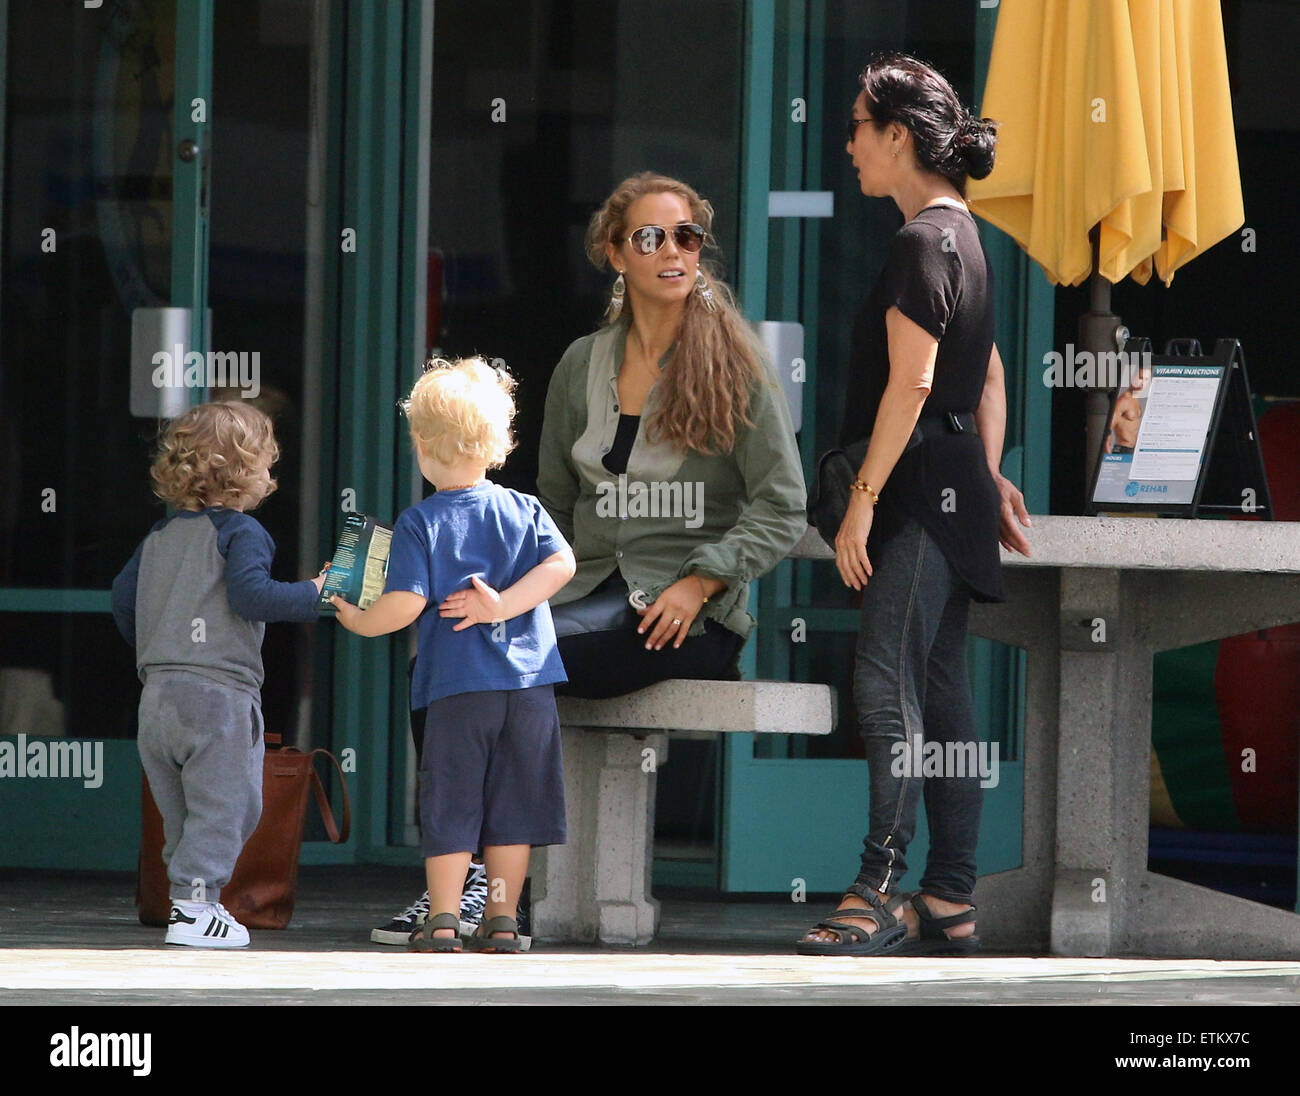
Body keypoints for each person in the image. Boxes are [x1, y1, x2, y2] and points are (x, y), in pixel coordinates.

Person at [797, 54, 1032, 957]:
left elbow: (918, 379)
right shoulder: (964, 237)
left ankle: (875, 890)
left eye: (858, 126)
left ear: (898, 136)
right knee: (940, 691)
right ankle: (951, 898)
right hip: (951, 492)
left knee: (886, 686)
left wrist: (860, 501)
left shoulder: (918, 242)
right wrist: (985, 466)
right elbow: (992, 374)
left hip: (916, 503)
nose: (848, 143)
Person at [332, 357, 575, 952]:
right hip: (530, 687)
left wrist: (358, 619)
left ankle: (442, 920)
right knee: (512, 812)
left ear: (421, 442)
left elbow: (407, 604)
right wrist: (506, 605)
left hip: (459, 689)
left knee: (453, 802)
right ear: (497, 441)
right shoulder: (525, 508)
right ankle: (501, 920)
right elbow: (562, 565)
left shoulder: (422, 521)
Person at [538, 172, 807, 697]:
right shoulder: (580, 364)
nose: (672, 252)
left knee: (502, 657)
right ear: (617, 255)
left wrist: (701, 583)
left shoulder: (737, 363)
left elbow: (783, 505)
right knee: (453, 656)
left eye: (685, 236)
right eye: (649, 238)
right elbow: (556, 507)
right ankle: (481, 785)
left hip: (685, 616)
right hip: (581, 596)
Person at [111, 402, 327, 948]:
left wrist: (163, 644)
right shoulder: (243, 531)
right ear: (238, 472)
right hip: (219, 696)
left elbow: (122, 599)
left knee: (182, 810)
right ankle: (194, 909)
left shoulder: (159, 536)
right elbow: (252, 596)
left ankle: (188, 899)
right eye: (265, 466)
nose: (271, 479)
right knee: (229, 804)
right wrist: (315, 593)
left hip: (158, 694)